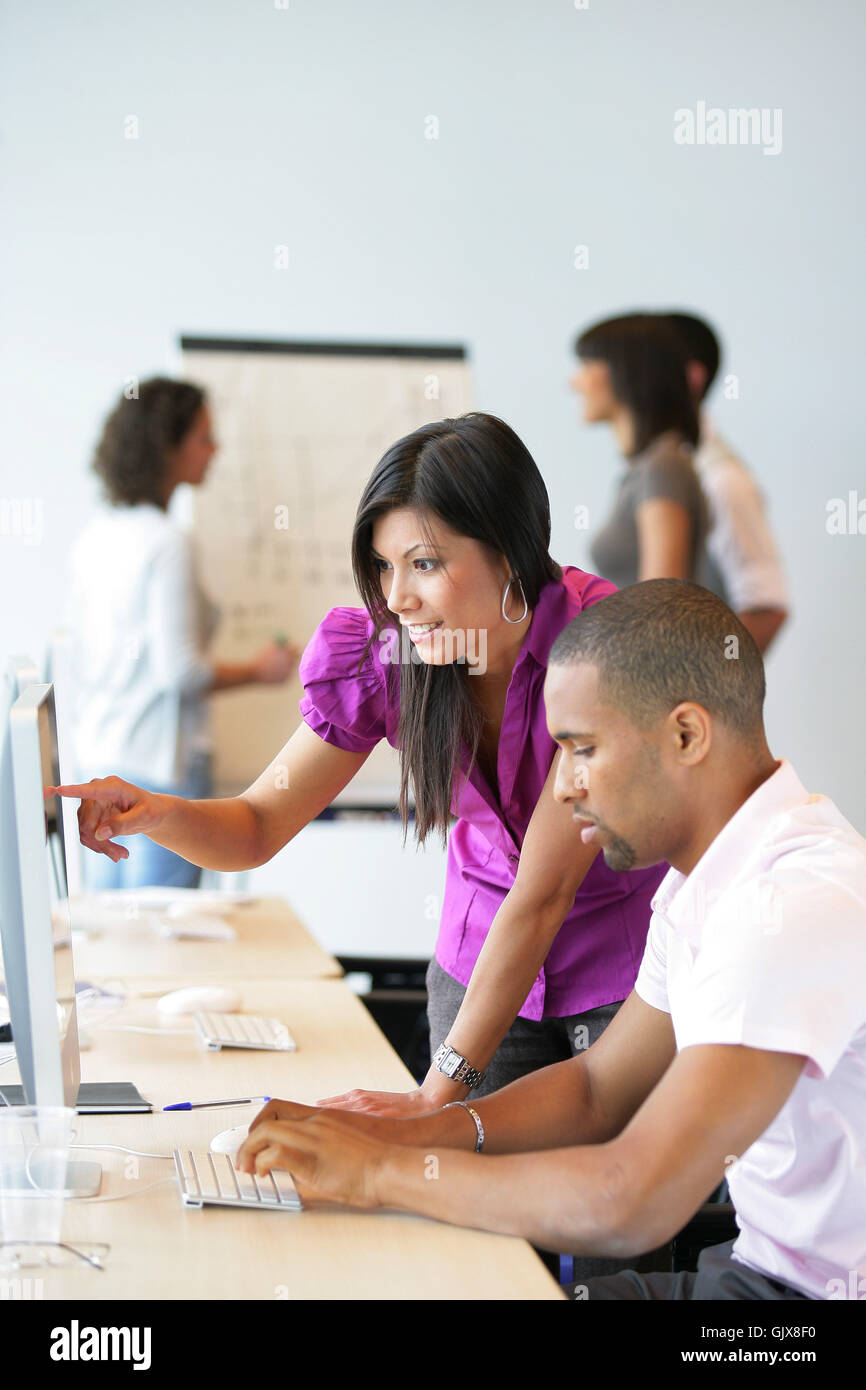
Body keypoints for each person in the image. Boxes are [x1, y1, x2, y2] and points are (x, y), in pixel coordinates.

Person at [229, 581, 866, 1302]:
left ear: (687, 735)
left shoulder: (785, 905)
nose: (562, 790)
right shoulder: (702, 887)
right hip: (760, 1275)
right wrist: (402, 1133)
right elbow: (598, 1090)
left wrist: (377, 1174)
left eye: (583, 749)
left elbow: (633, 1197)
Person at [53, 412, 665, 1137]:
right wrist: (157, 811)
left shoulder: (603, 649)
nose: (398, 598)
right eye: (383, 565)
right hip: (478, 973)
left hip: (619, 972)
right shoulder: (390, 657)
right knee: (481, 1229)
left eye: (425, 563)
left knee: (606, 1225)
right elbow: (257, 825)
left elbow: (543, 890)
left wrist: (433, 1095)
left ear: (508, 551)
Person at [66, 377, 298, 889]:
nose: (214, 451)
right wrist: (261, 671)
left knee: (114, 940)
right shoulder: (169, 543)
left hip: (101, 759)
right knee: (165, 940)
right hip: (161, 766)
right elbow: (182, 672)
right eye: (203, 437)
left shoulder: (96, 537)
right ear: (166, 445)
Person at [666, 310, 790, 654]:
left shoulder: (721, 478)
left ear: (691, 377)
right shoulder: (673, 467)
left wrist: (694, 694)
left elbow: (767, 607)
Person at [571, 313, 709, 586]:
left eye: (587, 365)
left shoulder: (662, 466)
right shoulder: (649, 465)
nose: (574, 382)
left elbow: (659, 605)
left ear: (625, 371)